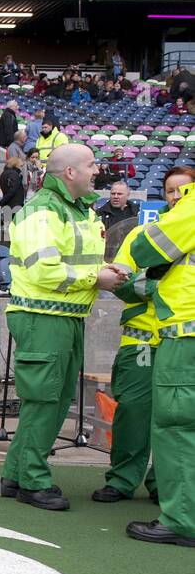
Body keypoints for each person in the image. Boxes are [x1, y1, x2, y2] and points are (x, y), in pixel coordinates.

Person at [2, 144, 127, 511]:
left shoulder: (78, 210)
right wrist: (96, 278)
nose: (96, 171)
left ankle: (14, 474)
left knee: (49, 401)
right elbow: (45, 270)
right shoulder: (43, 211)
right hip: (44, 317)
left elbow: (77, 262)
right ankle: (33, 481)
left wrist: (104, 270)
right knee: (46, 401)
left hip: (64, 316)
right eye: (90, 165)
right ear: (70, 173)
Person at [96, 166, 195, 510]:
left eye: (183, 190)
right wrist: (156, 288)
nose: (175, 196)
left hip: (178, 338)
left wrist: (154, 289)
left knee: (172, 418)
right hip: (140, 338)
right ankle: (122, 478)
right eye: (170, 190)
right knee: (133, 411)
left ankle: (162, 484)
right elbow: (121, 281)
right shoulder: (143, 232)